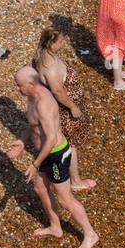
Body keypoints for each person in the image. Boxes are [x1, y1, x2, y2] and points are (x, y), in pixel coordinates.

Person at [7, 67, 100, 248]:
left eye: (19, 86)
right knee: (40, 188)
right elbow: (33, 124)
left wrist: (34, 165)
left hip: (57, 154)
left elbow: (50, 139)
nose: (17, 89)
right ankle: (55, 227)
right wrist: (22, 141)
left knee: (65, 198)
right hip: (45, 153)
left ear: (31, 84)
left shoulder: (44, 104)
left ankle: (90, 233)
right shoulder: (32, 97)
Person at [32, 29, 93, 192]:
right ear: (50, 44)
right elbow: (58, 91)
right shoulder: (50, 66)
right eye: (60, 41)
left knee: (64, 141)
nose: (63, 43)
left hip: (61, 106)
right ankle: (75, 180)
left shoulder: (40, 56)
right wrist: (73, 107)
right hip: (64, 109)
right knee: (70, 144)